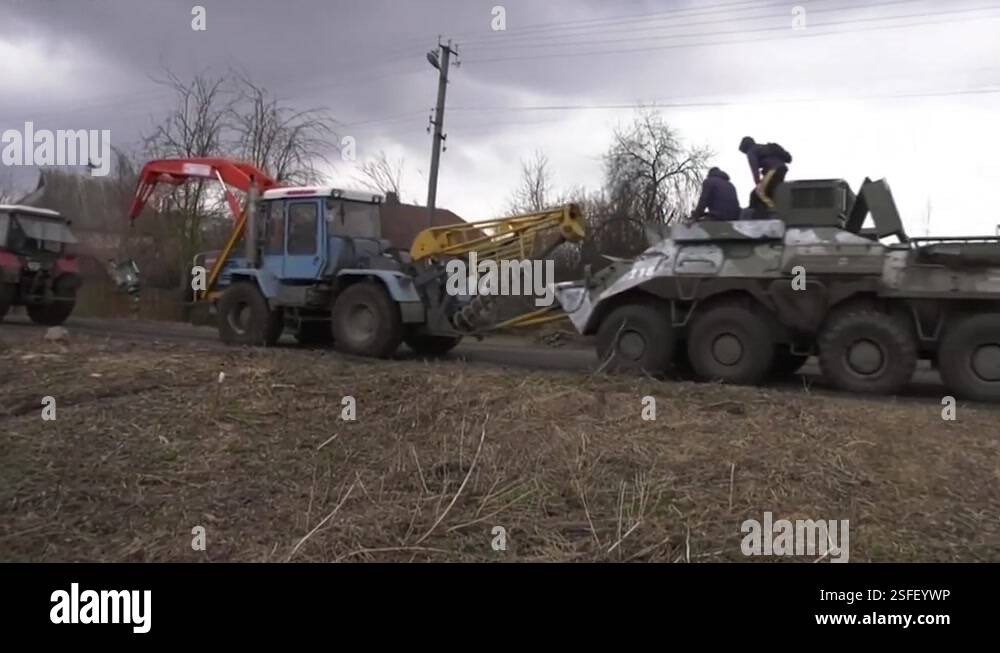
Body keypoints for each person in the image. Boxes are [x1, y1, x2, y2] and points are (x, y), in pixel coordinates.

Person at [739, 136, 792, 214]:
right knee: (771, 192)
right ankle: (774, 207)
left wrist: (758, 183)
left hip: (773, 170)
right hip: (782, 169)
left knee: (758, 193)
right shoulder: (764, 148)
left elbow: (754, 168)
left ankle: (774, 211)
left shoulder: (751, 151)